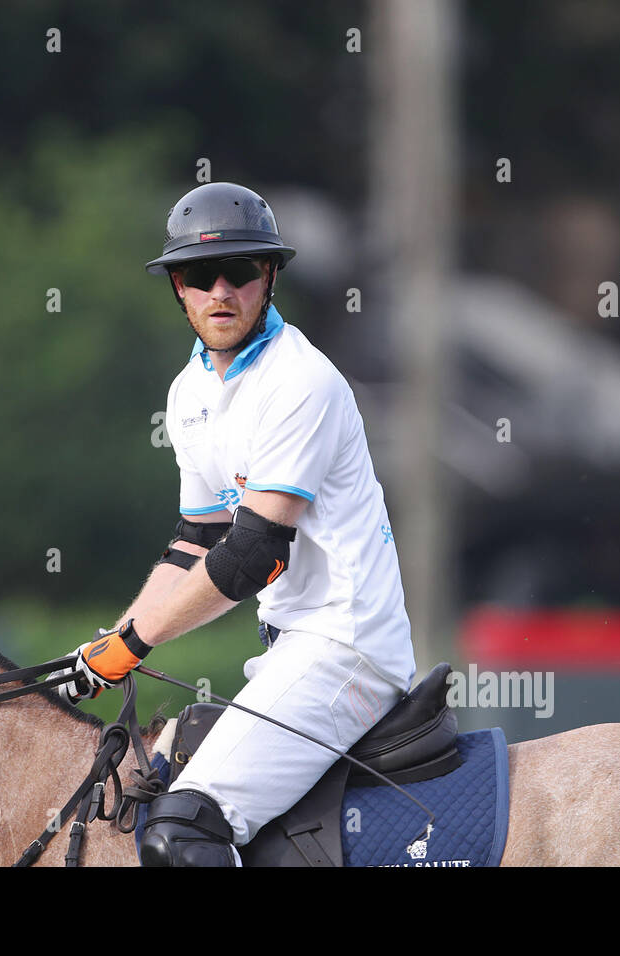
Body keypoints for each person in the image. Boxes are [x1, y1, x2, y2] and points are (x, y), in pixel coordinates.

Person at [59, 181, 416, 866]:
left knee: (179, 834)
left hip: (347, 649)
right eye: (199, 275)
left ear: (269, 277)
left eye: (241, 272)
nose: (220, 291)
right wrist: (110, 639)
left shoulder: (300, 382)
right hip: (291, 652)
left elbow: (255, 554)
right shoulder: (189, 392)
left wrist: (133, 643)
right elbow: (198, 540)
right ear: (178, 289)